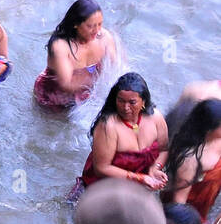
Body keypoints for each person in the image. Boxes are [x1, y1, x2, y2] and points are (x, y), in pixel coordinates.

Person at [70, 73, 169, 202]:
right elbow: (101, 168)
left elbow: (164, 149)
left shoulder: (156, 118)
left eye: (132, 102)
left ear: (143, 101)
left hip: (140, 187)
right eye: (121, 101)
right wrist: (140, 178)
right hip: (103, 189)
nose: (125, 107)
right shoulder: (108, 126)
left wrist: (154, 168)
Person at [33, 0, 112, 109]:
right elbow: (67, 84)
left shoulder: (104, 37)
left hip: (86, 93)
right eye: (90, 26)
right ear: (76, 24)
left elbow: (117, 66)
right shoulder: (61, 46)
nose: (97, 30)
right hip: (53, 97)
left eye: (100, 24)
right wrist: (98, 80)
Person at [165, 99, 221, 223]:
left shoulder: (218, 140)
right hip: (191, 208)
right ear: (209, 130)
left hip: (207, 199)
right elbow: (179, 202)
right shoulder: (189, 159)